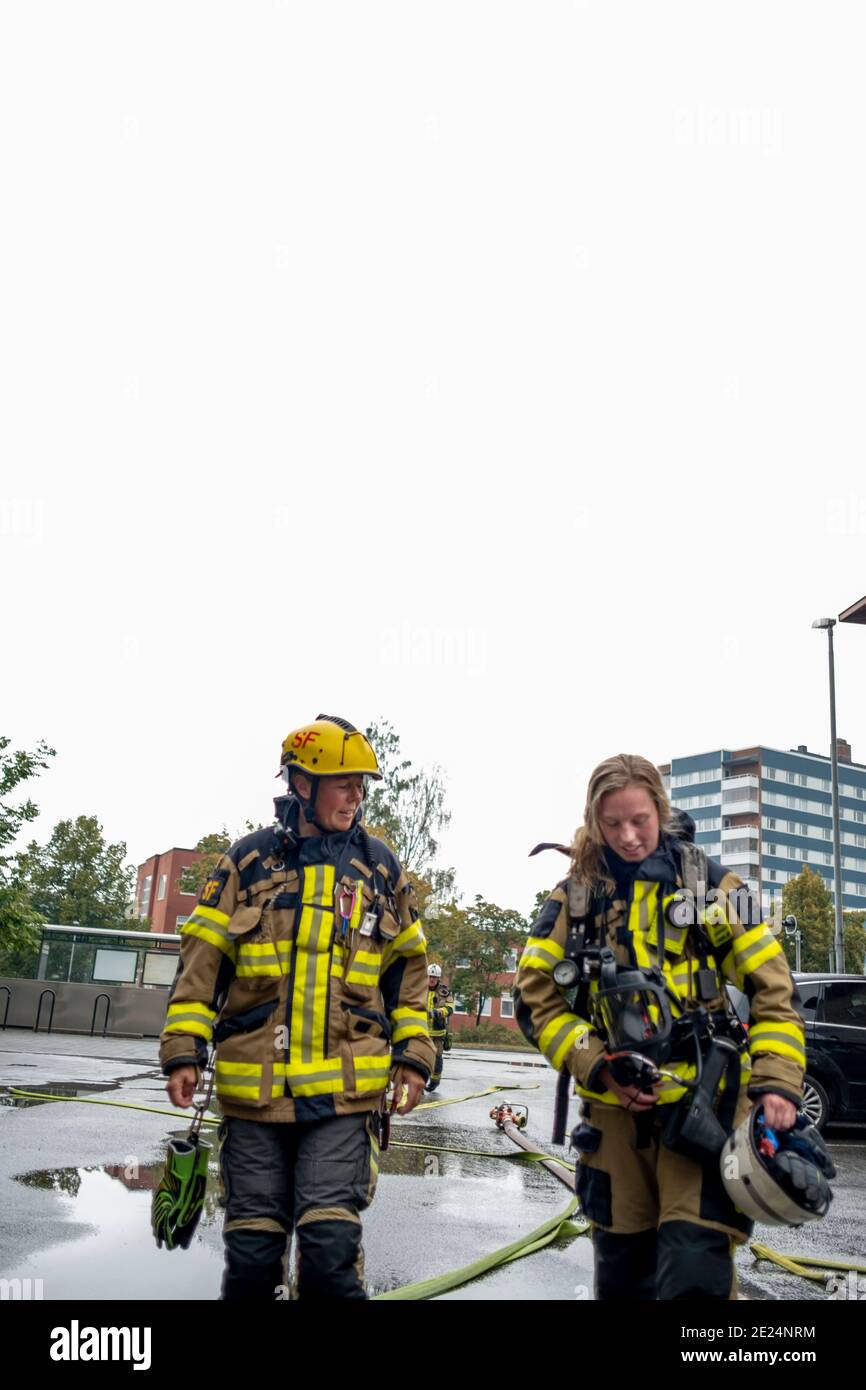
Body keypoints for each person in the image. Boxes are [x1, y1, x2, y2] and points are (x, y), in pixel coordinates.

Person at [160, 714, 435, 1299]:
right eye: (345, 783)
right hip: (254, 1095)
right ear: (302, 785)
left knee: (330, 1251)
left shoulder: (380, 869)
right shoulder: (247, 862)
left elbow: (409, 971)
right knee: (253, 1260)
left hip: (342, 1096)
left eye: (362, 785)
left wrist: (414, 1055)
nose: (357, 796)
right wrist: (183, 1048)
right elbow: (201, 962)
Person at [514, 753, 805, 1300]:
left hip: (704, 1115)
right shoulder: (574, 897)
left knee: (694, 1280)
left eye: (639, 820)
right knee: (624, 1281)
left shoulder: (714, 887)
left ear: (660, 810)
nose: (627, 836)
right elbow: (534, 997)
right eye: (613, 823)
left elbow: (774, 987)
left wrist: (777, 1083)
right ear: (593, 820)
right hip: (614, 1123)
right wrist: (597, 1064)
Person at [425, 963, 454, 1092]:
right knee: (421, 1059)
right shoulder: (419, 989)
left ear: (438, 978)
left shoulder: (444, 992)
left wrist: (437, 1012)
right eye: (430, 976)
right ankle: (420, 1083)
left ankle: (435, 1081)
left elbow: (450, 1008)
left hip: (437, 1033)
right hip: (421, 1032)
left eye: (434, 977)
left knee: (437, 1059)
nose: (432, 979)